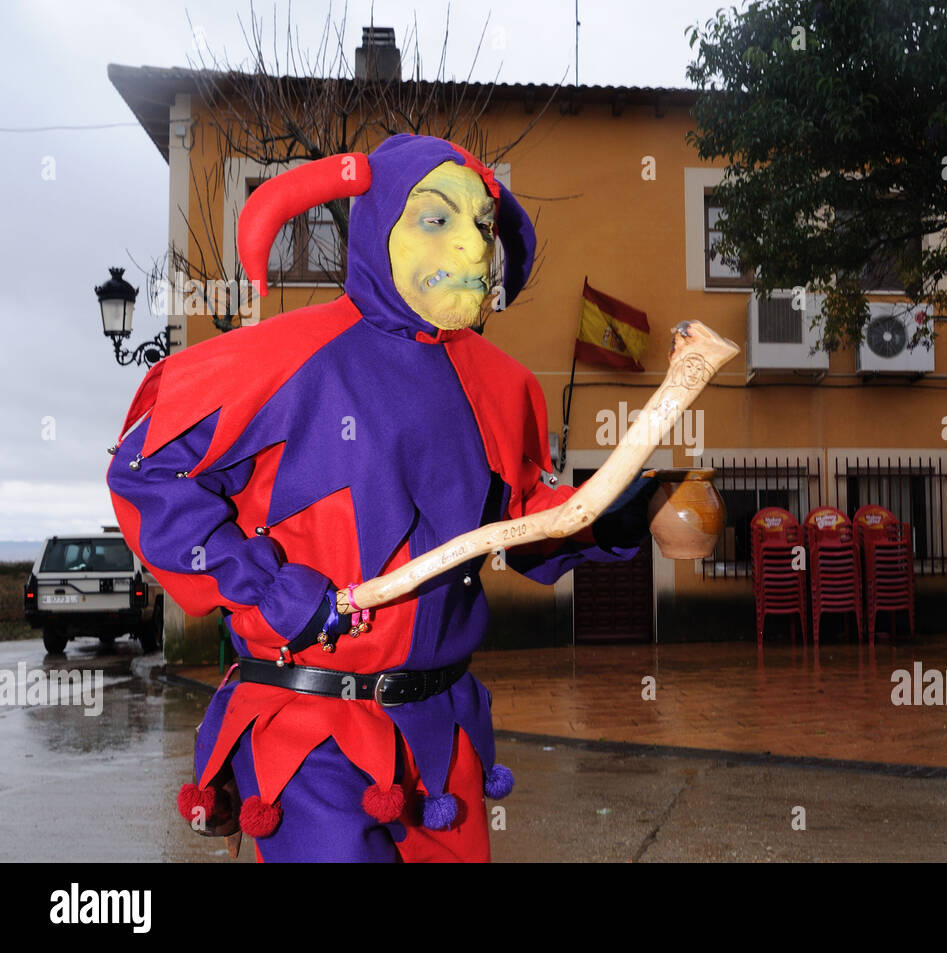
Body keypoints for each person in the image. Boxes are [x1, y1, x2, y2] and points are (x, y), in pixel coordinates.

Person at [107, 134, 655, 862]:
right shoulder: (275, 359)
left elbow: (515, 521)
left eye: (483, 226)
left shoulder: (503, 385)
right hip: (310, 738)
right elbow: (146, 469)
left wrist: (592, 518)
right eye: (436, 219)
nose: (472, 247)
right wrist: (267, 587)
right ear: (378, 224)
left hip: (441, 744)